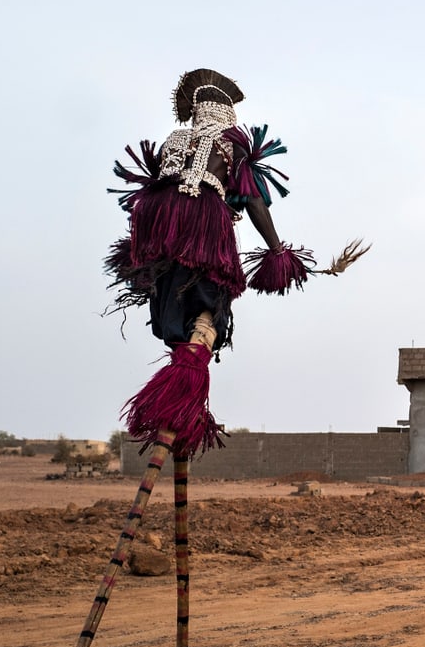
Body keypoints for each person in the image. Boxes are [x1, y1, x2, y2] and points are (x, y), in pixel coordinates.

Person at [105, 69, 311, 454]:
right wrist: (277, 251)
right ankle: (178, 397)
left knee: (176, 299)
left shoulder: (174, 139)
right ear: (228, 115)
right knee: (212, 303)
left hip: (157, 223)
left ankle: (182, 383)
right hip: (201, 216)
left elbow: (152, 190)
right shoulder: (232, 140)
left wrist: (140, 249)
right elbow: (252, 200)